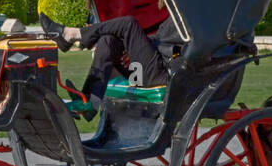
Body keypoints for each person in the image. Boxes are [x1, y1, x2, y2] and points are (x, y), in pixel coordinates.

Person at [40, 11, 175, 100]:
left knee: (129, 23)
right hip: (142, 72)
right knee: (108, 40)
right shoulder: (178, 14)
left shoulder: (191, 19)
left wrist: (169, 55)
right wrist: (134, 49)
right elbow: (158, 39)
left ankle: (73, 34)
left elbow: (183, 52)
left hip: (162, 74)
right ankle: (88, 100)